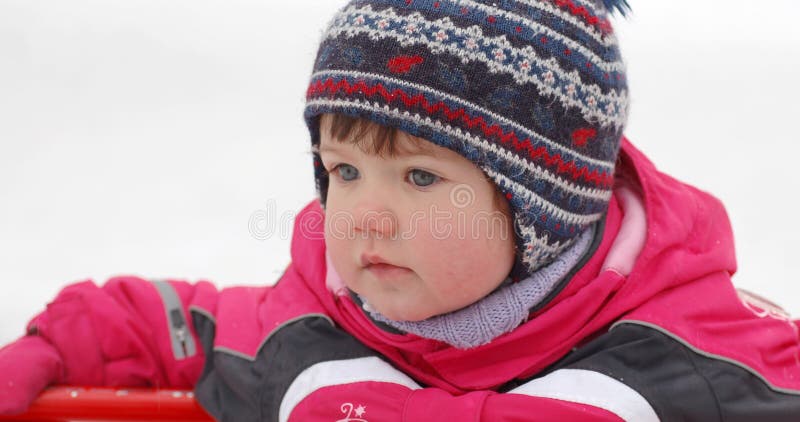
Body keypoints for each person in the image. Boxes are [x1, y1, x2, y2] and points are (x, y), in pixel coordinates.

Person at [2, 0, 799, 420]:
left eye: (418, 179)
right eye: (344, 171)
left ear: (543, 207)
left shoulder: (692, 365)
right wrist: (57, 346)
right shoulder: (312, 328)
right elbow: (184, 323)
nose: (364, 218)